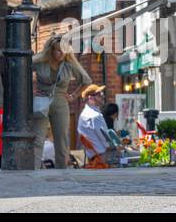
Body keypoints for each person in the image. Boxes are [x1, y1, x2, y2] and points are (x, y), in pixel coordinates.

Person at [31, 34, 92, 168]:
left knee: (62, 141)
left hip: (60, 102)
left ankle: (62, 172)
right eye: (58, 50)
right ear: (51, 50)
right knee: (37, 140)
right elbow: (21, 70)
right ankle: (34, 171)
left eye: (64, 50)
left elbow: (86, 80)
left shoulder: (69, 64)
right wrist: (30, 91)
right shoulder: (40, 62)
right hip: (42, 101)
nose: (61, 53)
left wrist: (74, 96)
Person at [77, 85, 136, 165]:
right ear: (91, 98)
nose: (103, 96)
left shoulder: (83, 115)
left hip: (93, 156)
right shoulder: (95, 116)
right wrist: (118, 147)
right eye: (99, 95)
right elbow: (106, 141)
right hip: (106, 157)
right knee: (139, 155)